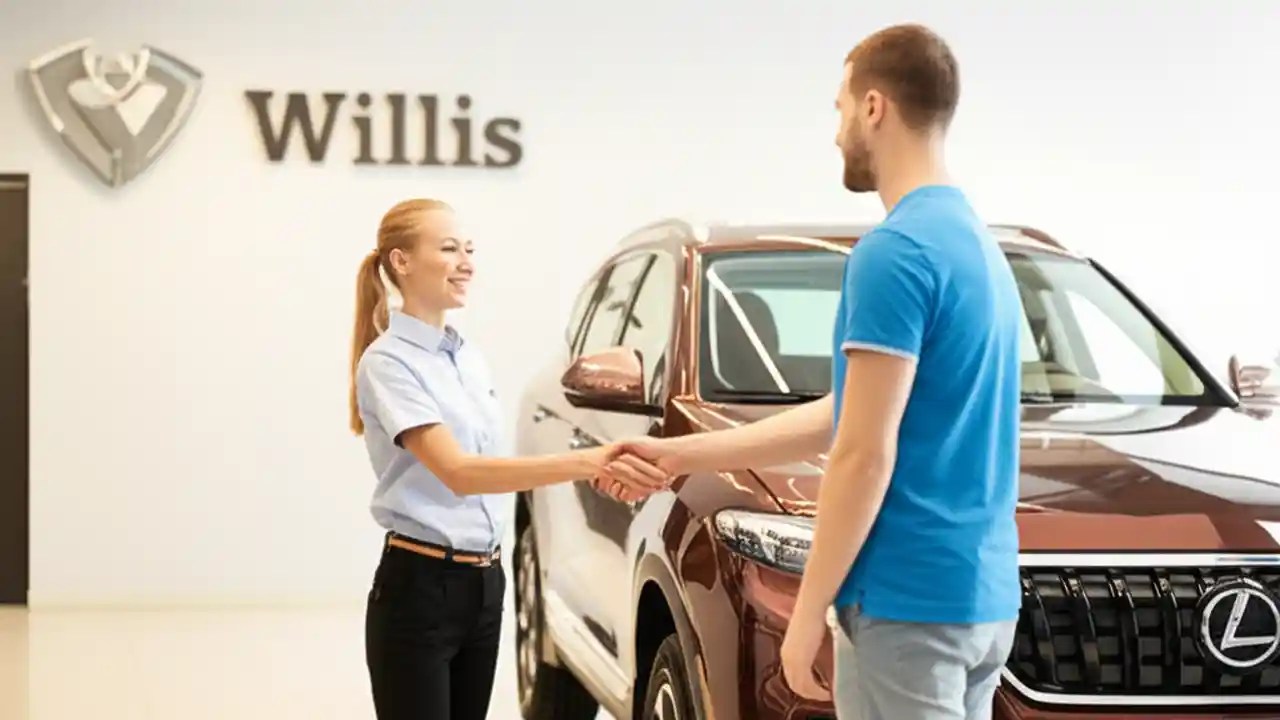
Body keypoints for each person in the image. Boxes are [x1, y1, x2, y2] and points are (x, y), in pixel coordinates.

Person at [610, 24, 1022, 720]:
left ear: (873, 107)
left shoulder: (896, 252)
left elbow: (862, 453)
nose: (836, 134)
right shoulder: (977, 248)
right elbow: (846, 413)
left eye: (840, 109)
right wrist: (679, 455)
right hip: (978, 599)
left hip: (905, 603)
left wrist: (808, 615)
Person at [348, 198, 669, 720]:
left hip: (483, 585)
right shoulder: (388, 363)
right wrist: (591, 461)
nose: (466, 263)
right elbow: (459, 473)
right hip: (420, 590)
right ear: (401, 261)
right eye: (449, 249)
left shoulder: (466, 358)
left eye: (469, 250)